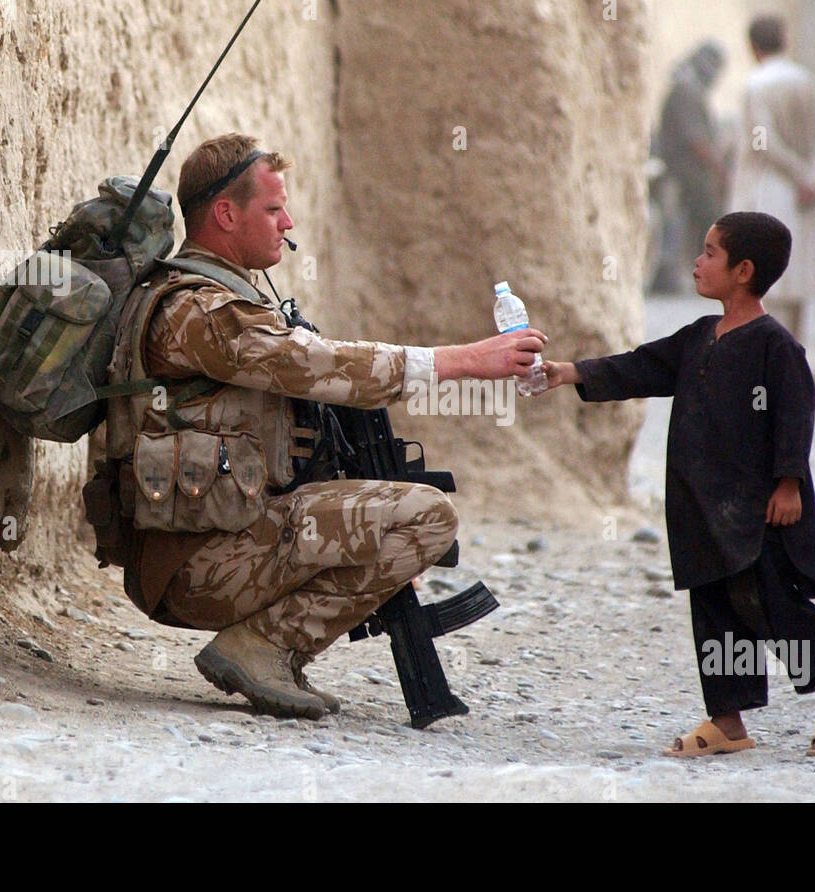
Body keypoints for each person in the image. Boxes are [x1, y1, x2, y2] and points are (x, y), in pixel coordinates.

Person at [103, 133, 546, 720]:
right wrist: (465, 361)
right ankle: (261, 647)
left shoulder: (226, 298)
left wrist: (362, 541)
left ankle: (272, 649)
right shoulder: (199, 310)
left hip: (219, 545)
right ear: (226, 214)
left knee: (393, 513)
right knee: (427, 515)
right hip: (197, 568)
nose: (287, 222)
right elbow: (316, 364)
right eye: (272, 209)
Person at [539, 212, 815, 757]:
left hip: (758, 510)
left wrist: (788, 484)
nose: (697, 261)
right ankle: (727, 721)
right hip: (700, 507)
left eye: (710, 253)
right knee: (714, 609)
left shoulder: (775, 347)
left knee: (773, 602)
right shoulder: (699, 337)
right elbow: (640, 367)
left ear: (743, 270)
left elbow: (795, 416)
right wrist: (570, 372)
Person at [727, 15, 815, 341]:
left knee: (768, 283)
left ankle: (770, 371)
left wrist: (799, 177)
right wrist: (811, 178)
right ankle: (792, 363)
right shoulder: (806, 80)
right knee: (796, 283)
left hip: (771, 189)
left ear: (753, 48)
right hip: (805, 192)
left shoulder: (757, 84)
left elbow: (764, 142)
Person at [649, 42, 727, 294]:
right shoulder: (685, 91)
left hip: (689, 175)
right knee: (681, 224)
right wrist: (717, 166)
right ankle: (671, 277)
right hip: (682, 174)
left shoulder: (689, 89)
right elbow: (695, 140)